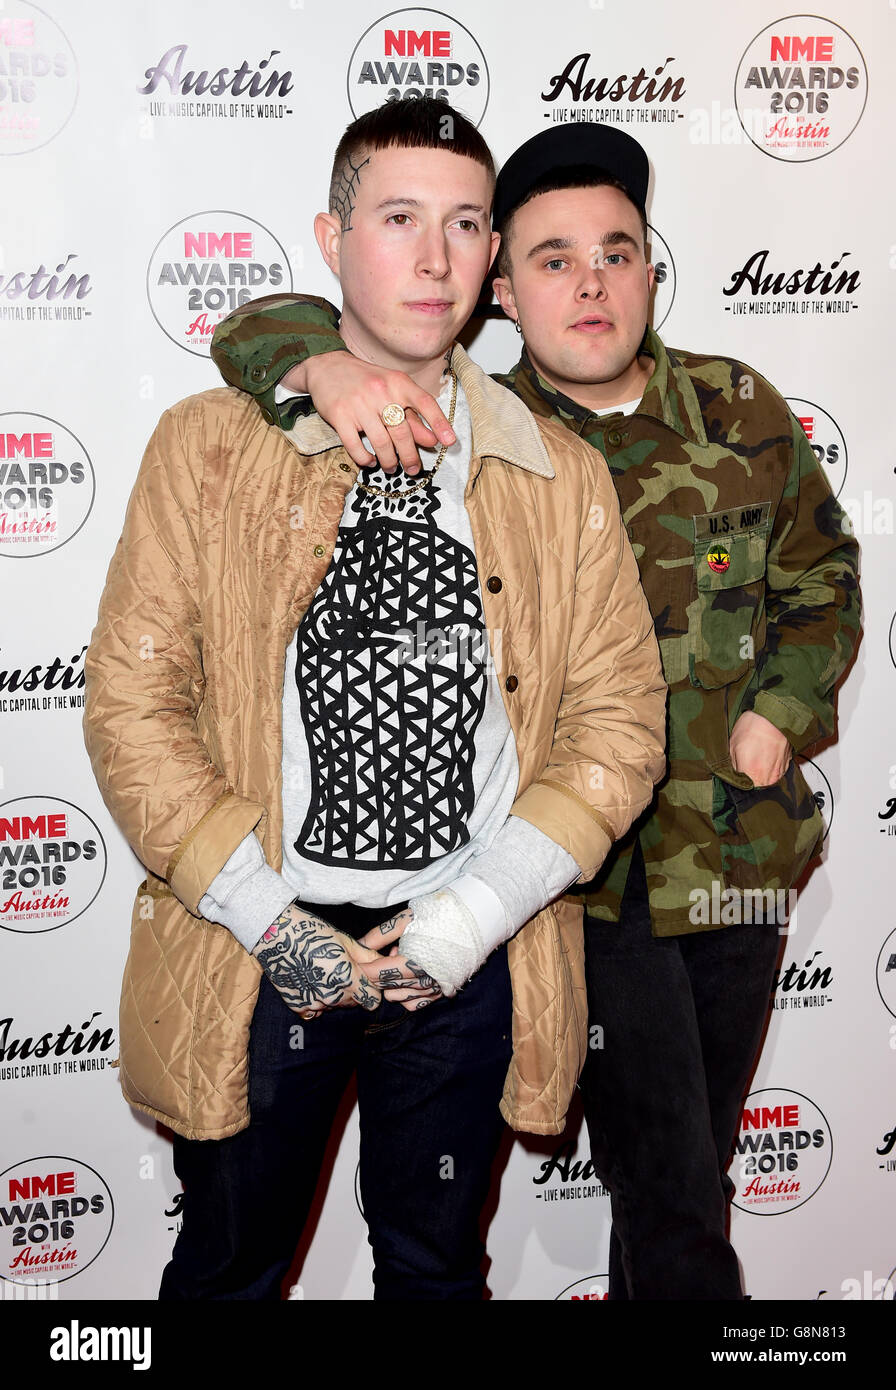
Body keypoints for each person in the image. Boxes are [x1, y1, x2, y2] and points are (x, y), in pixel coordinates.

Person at [211, 119, 862, 1299]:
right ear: (499, 290)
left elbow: (826, 575)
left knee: (689, 1174)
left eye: (617, 251)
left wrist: (781, 707)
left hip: (736, 858)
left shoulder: (736, 406)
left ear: (652, 268)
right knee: (670, 1193)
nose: (593, 282)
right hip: (575, 888)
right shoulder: (486, 434)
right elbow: (259, 329)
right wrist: (324, 363)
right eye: (552, 259)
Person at [83, 100, 666, 1301]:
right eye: (399, 218)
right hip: (259, 952)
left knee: (435, 1271)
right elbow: (133, 706)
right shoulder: (206, 448)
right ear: (331, 234)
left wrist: (461, 925)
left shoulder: (555, 474)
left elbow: (618, 727)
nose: (435, 258)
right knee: (229, 1267)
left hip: (465, 961)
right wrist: (271, 922)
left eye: (464, 225)